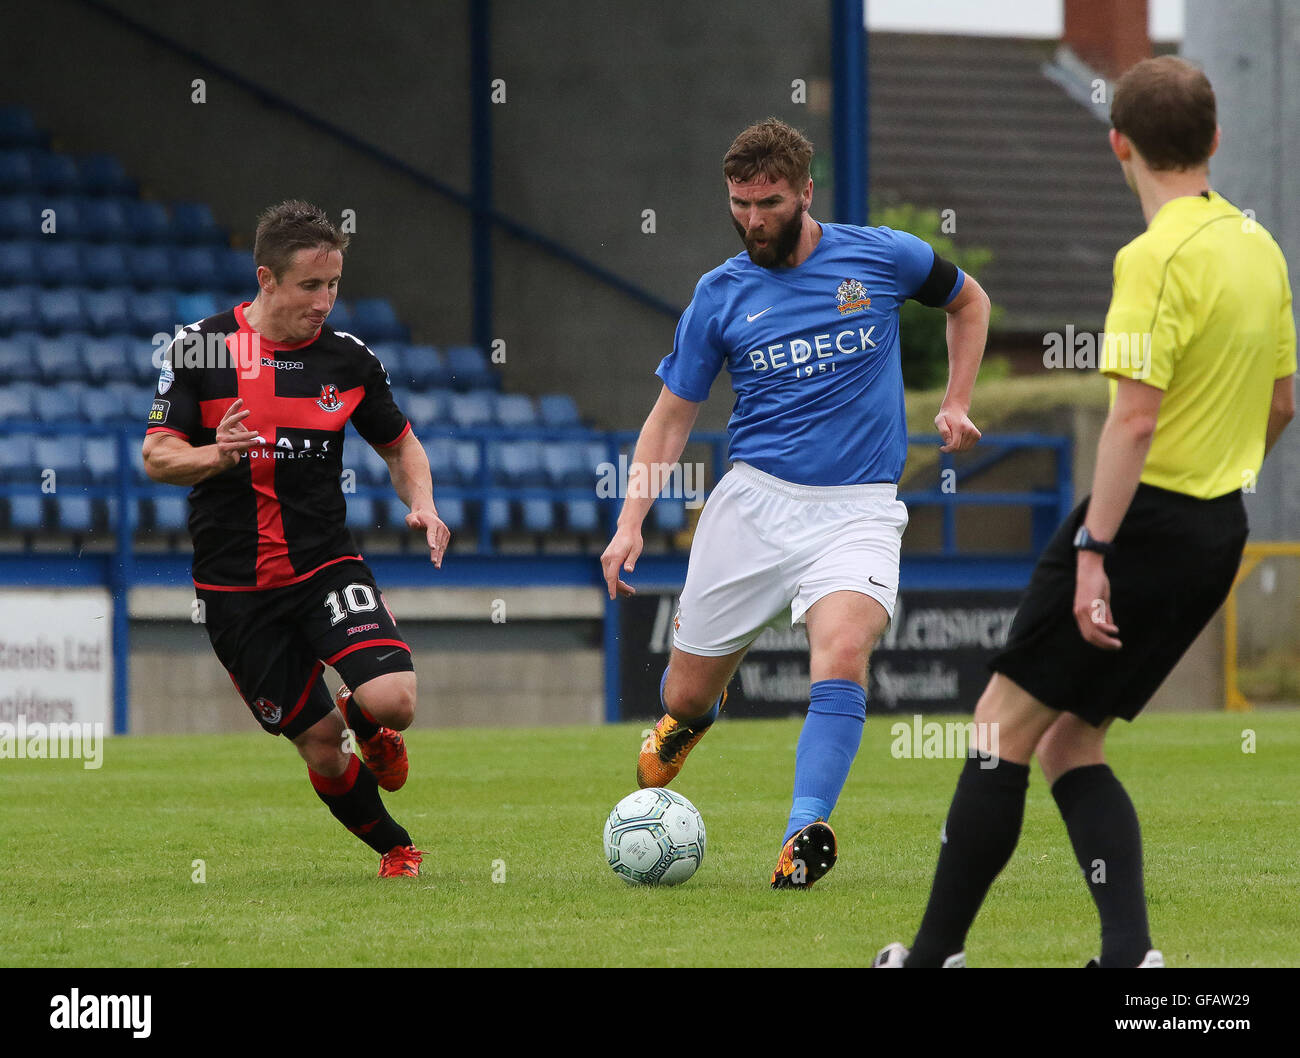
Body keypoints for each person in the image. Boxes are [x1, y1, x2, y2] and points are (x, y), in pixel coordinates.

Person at [874, 56, 1296, 968]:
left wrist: (1096, 549)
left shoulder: (1151, 258)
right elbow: (1284, 400)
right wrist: (1227, 471)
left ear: (1119, 145)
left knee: (997, 726)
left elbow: (1134, 418)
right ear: (1216, 140)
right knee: (1070, 741)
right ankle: (1128, 957)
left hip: (1140, 524)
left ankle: (933, 956)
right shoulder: (1259, 246)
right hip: (1218, 526)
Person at [600, 118, 989, 888]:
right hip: (754, 505)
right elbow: (671, 415)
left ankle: (801, 832)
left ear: (805, 193)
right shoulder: (719, 296)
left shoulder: (880, 257)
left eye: (768, 203)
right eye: (739, 203)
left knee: (842, 653)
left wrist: (956, 401)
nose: (751, 219)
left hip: (859, 509)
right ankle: (684, 723)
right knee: (685, 689)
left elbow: (969, 302)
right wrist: (630, 520)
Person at [142, 200, 451, 878]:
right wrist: (215, 457)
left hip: (324, 568)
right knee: (320, 745)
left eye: (335, 284)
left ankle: (368, 721)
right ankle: (397, 850)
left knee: (394, 701)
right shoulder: (200, 349)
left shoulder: (347, 360)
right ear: (267, 279)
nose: (326, 301)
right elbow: (158, 456)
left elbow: (401, 449)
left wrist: (424, 504)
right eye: (311, 286)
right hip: (236, 589)